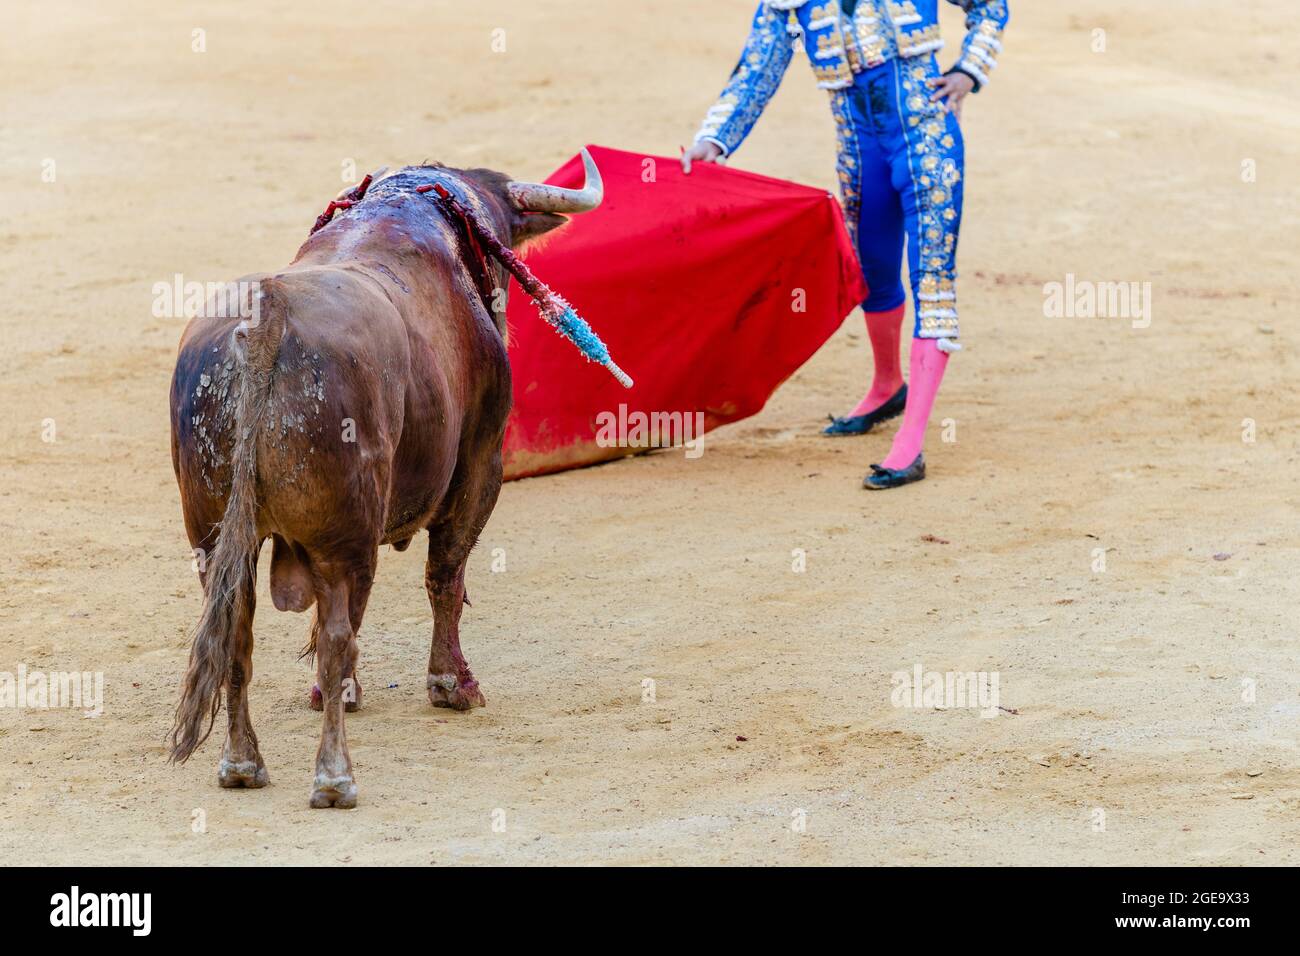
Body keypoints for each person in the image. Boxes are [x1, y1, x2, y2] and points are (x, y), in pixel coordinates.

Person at [683, 0, 1009, 489]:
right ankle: (886, 386)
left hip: (928, 139)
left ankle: (910, 443)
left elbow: (989, 6)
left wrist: (968, 70)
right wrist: (716, 138)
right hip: (859, 148)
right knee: (874, 273)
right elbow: (760, 64)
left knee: (932, 282)